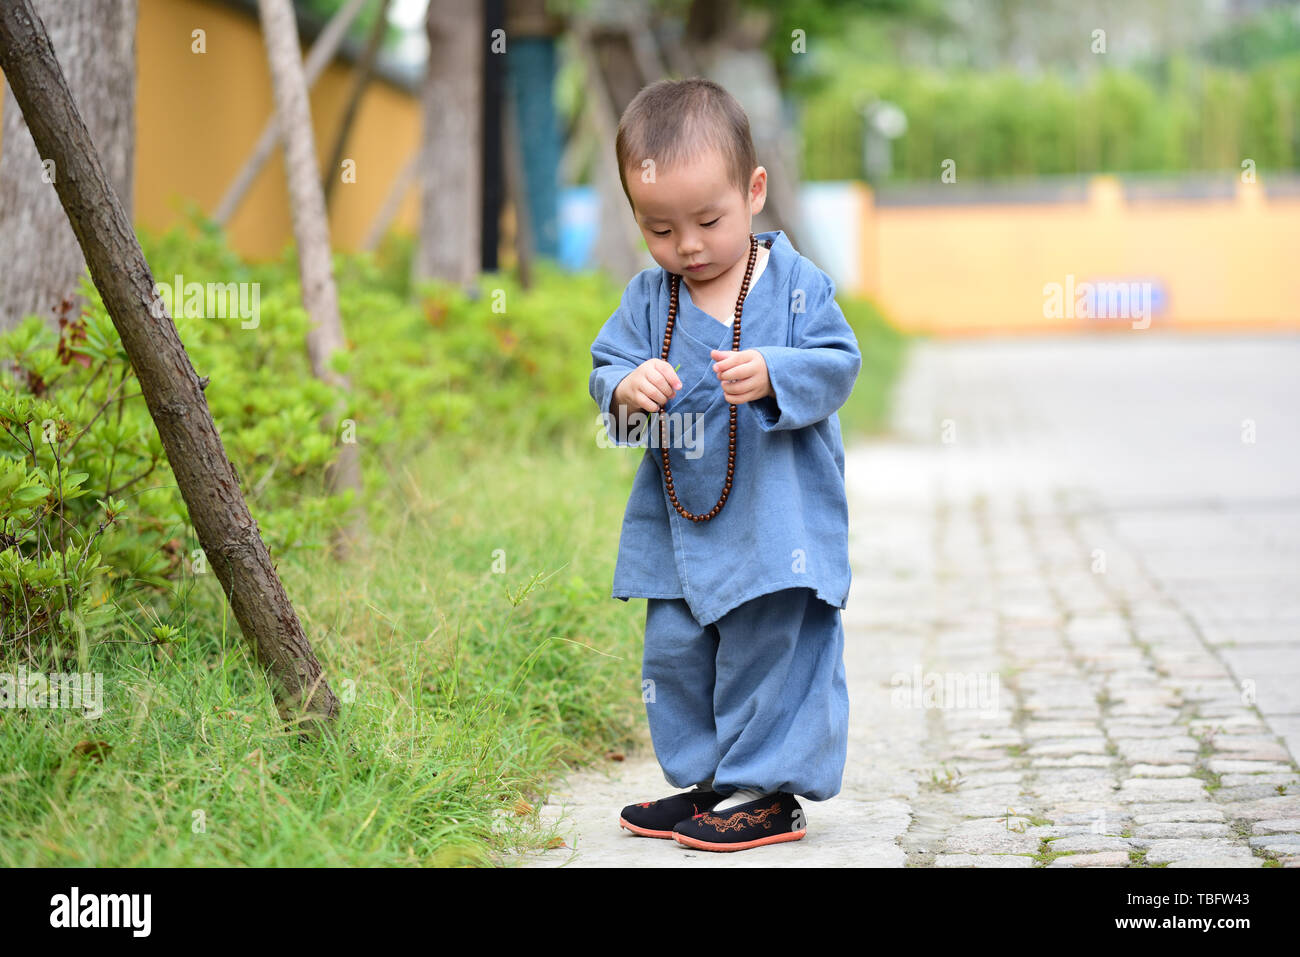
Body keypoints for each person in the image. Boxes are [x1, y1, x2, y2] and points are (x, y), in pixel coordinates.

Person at [588, 76, 861, 852]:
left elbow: (839, 361)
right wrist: (626, 387)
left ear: (754, 190)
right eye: (660, 228)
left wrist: (777, 370)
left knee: (765, 648)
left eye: (709, 219)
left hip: (780, 524)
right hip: (680, 523)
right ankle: (713, 783)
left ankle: (768, 787)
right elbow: (606, 368)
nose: (690, 247)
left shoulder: (797, 286)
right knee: (675, 649)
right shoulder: (650, 300)